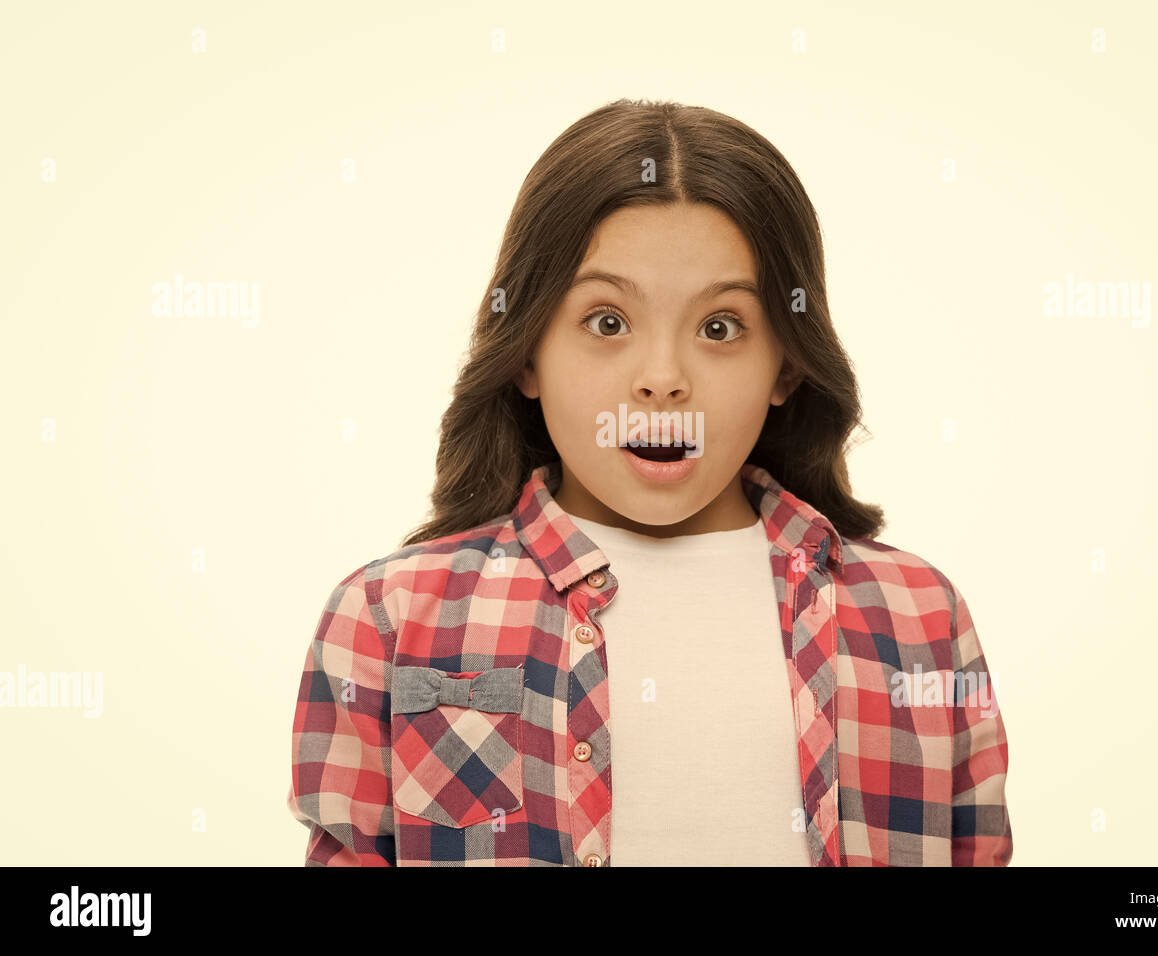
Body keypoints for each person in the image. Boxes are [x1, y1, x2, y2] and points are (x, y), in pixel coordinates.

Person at [285, 98, 1012, 866]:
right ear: (528, 351)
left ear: (787, 365)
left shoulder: (921, 622)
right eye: (607, 322)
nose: (663, 380)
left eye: (720, 327)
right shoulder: (390, 619)